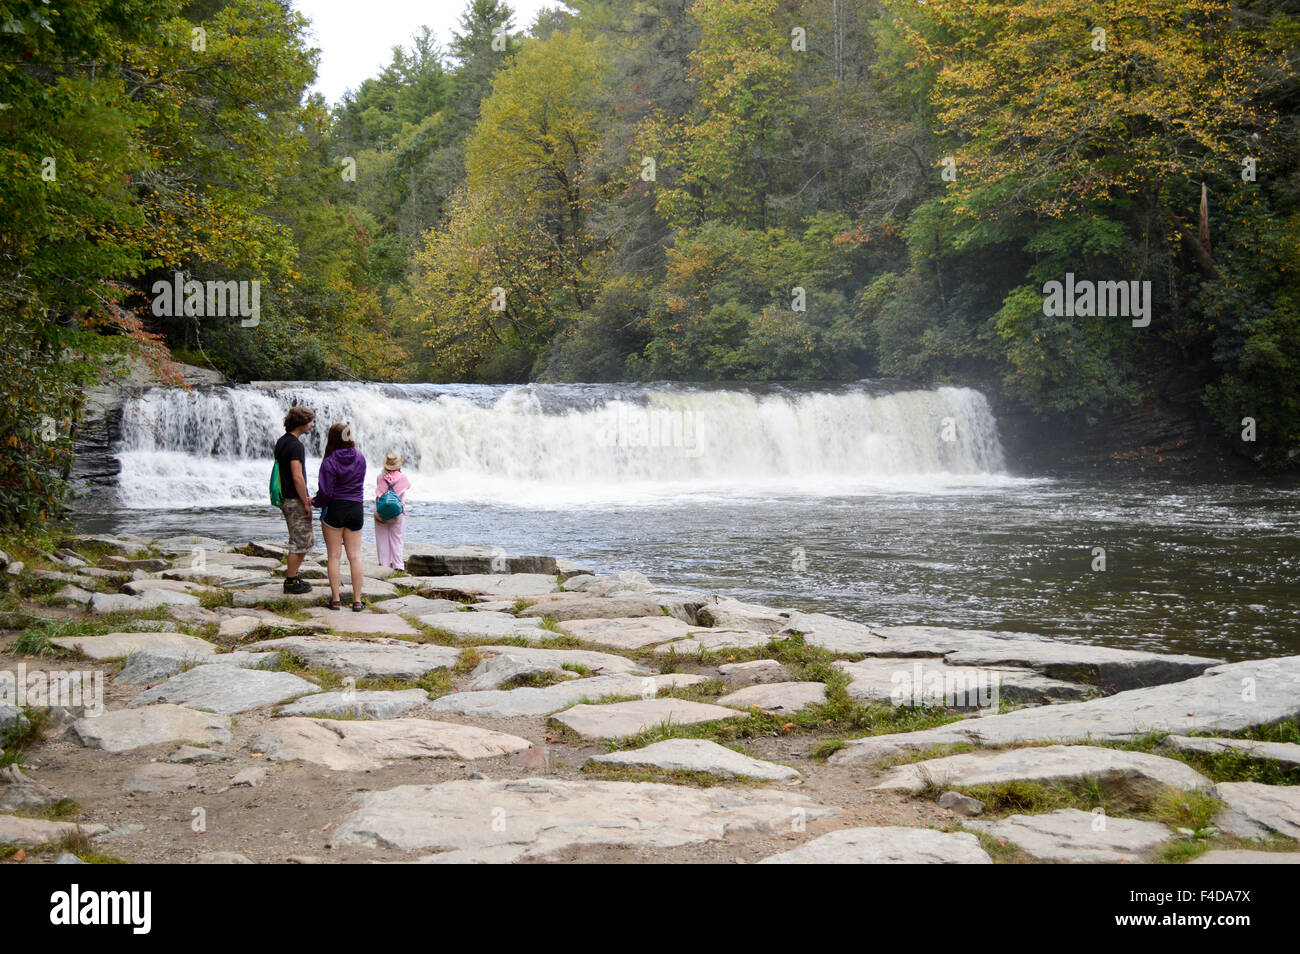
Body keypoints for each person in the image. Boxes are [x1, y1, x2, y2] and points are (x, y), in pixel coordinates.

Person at [312, 422, 369, 611]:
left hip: (335, 508)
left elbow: (326, 493)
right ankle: (357, 601)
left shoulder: (329, 461)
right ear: (350, 436)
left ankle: (336, 599)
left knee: (334, 556)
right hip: (356, 508)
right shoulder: (360, 457)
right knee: (355, 556)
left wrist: (314, 502)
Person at [274, 407, 316, 594]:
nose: (312, 425)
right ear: (301, 423)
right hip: (294, 499)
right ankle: (291, 581)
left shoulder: (282, 441)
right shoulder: (296, 446)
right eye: (310, 422)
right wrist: (306, 502)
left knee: (301, 539)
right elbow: (297, 476)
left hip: (286, 497)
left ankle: (293, 575)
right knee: (300, 541)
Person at [374, 453, 411, 570]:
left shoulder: (380, 477)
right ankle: (398, 565)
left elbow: (379, 494)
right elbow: (408, 486)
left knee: (382, 538)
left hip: (381, 512)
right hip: (397, 512)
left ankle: (384, 565)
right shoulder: (403, 477)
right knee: (397, 538)